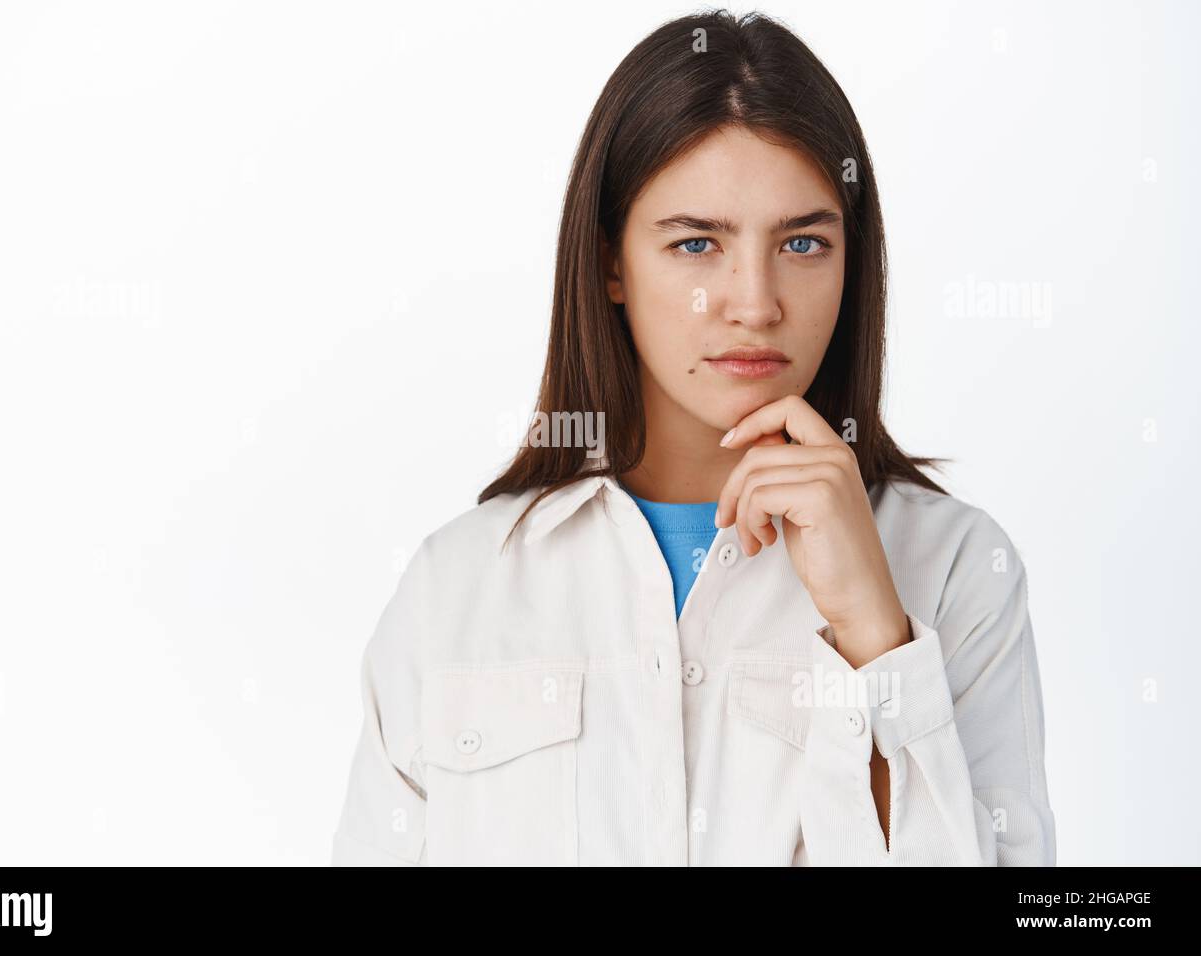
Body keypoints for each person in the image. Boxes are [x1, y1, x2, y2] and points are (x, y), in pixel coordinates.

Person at [330, 9, 1055, 866]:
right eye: (696, 243)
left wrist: (875, 637)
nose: (754, 301)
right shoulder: (455, 591)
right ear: (610, 263)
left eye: (804, 242)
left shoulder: (959, 570)